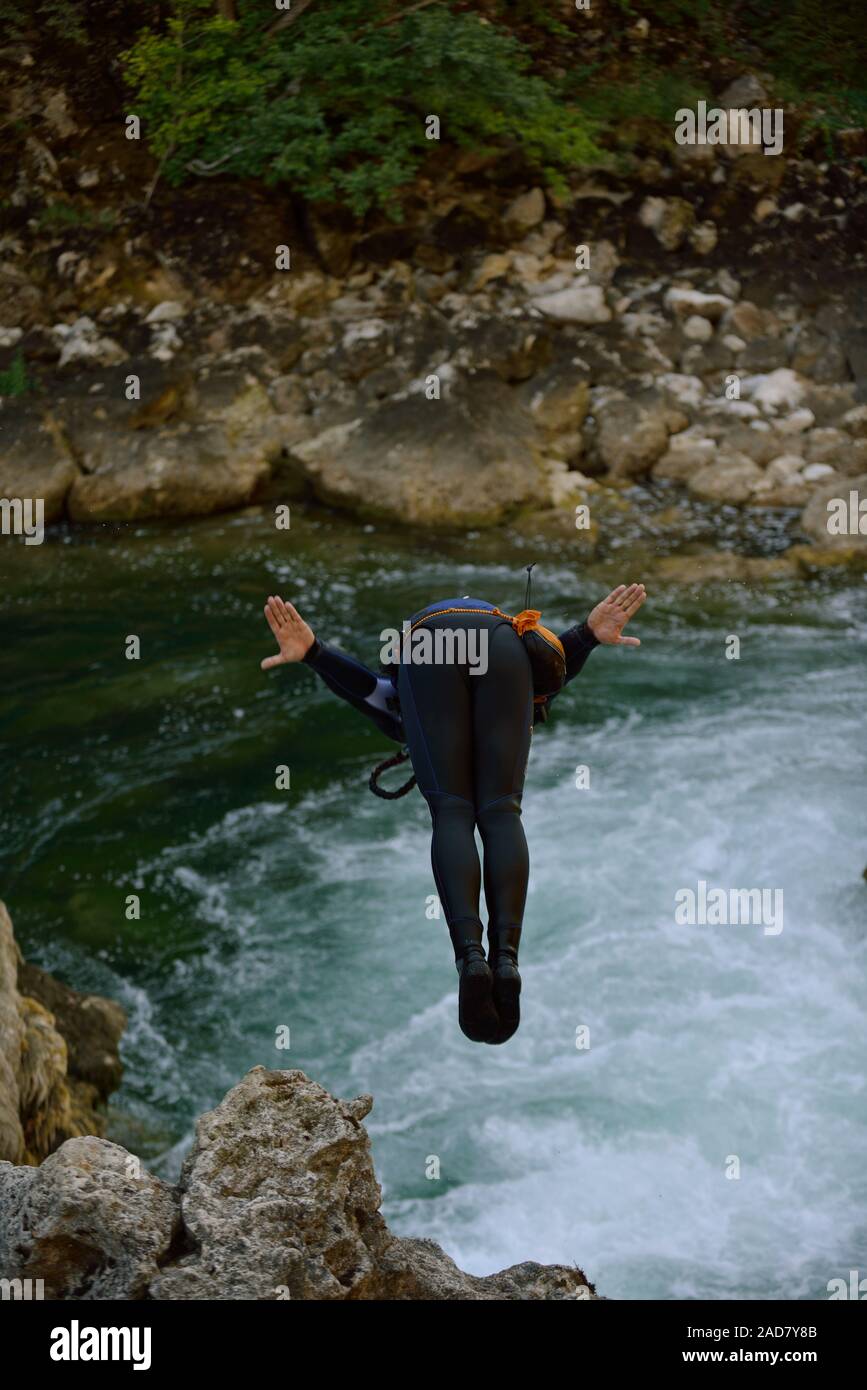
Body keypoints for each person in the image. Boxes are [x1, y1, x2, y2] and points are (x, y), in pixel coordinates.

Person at [261, 584, 646, 1044]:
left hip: (429, 640)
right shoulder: (503, 700)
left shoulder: (408, 715)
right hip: (504, 638)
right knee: (502, 812)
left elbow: (371, 690)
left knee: (452, 811)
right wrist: (585, 635)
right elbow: (544, 677)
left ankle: (471, 957)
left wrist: (315, 653)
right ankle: (505, 958)